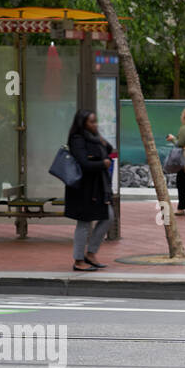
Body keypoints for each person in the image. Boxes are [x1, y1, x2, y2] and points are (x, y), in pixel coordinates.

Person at [65, 109, 115, 271]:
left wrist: (100, 140)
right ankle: (78, 260)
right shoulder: (77, 139)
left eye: (95, 121)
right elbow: (83, 164)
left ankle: (91, 253)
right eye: (92, 122)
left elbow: (109, 149)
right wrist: (103, 164)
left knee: (108, 216)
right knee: (84, 223)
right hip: (83, 188)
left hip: (97, 187)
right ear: (83, 124)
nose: (96, 124)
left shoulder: (93, 138)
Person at [0, 105, 17, 201]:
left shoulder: (3, 127)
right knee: (12, 181)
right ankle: (22, 197)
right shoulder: (4, 124)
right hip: (8, 158)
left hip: (6, 159)